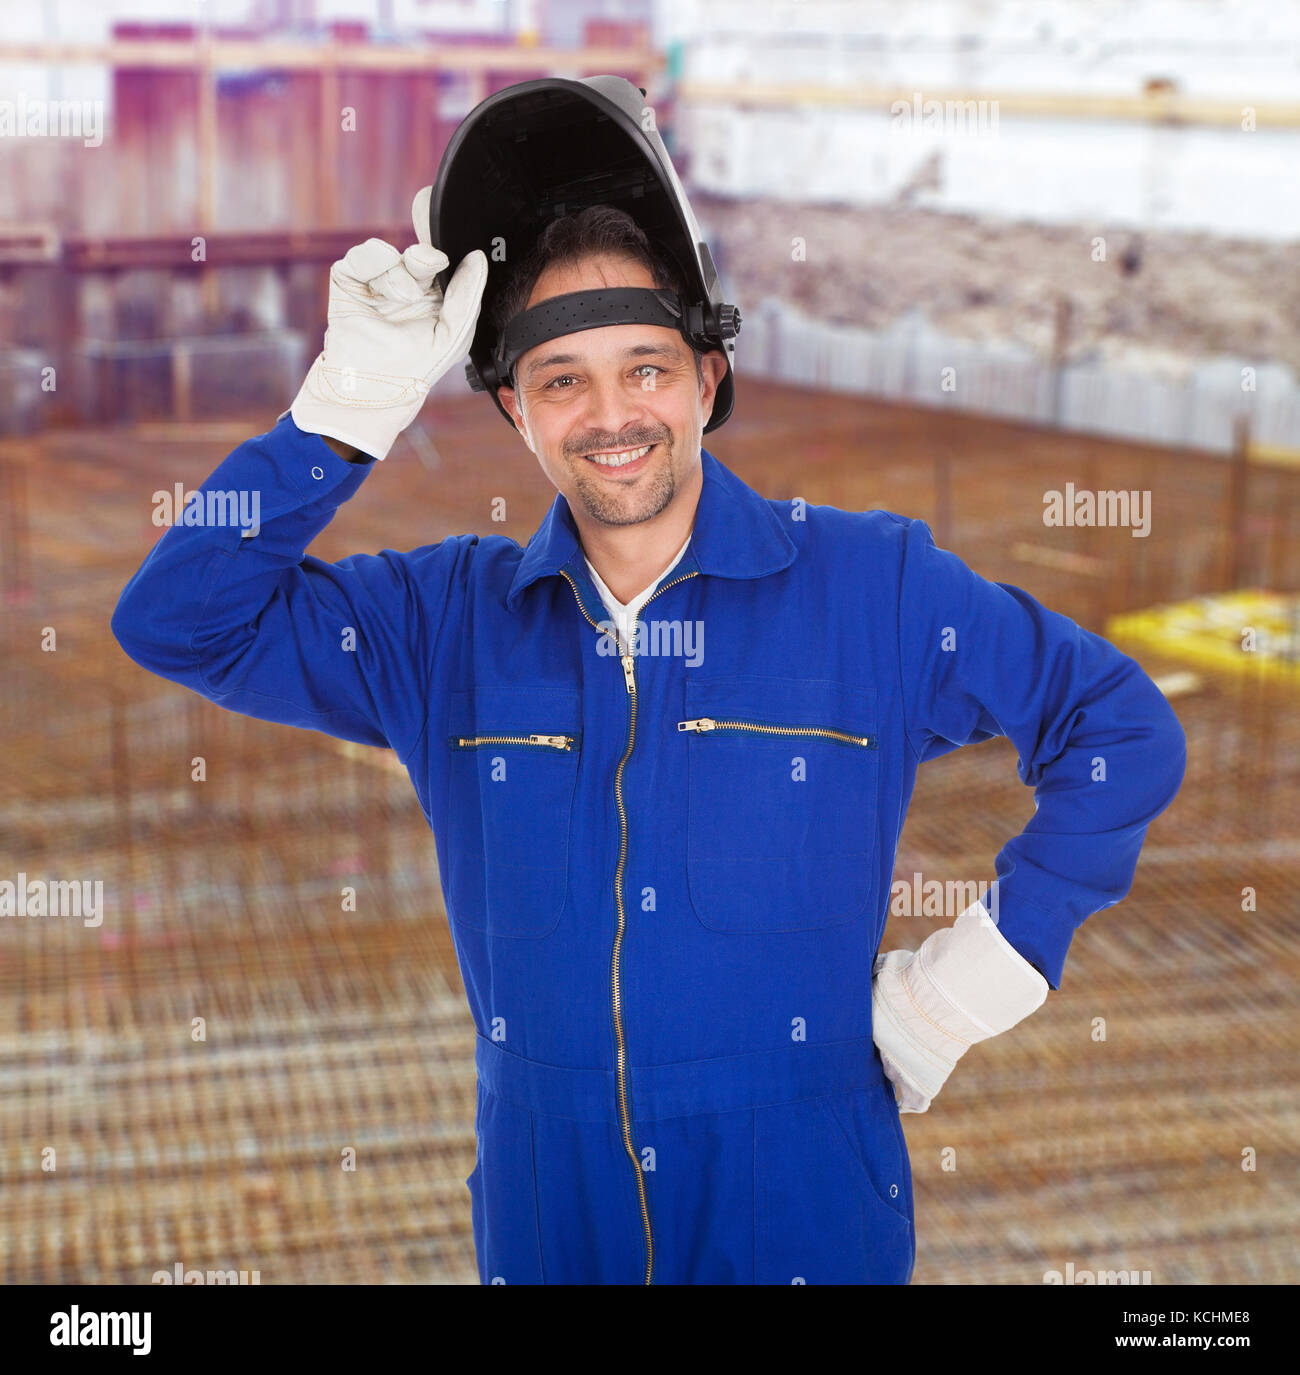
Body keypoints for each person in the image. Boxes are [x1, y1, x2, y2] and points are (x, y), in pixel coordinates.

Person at [112, 139, 1186, 1291]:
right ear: (516, 414)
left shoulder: (870, 588)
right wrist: (343, 409)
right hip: (546, 1210)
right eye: (561, 378)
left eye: (646, 367)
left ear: (707, 383)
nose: (610, 413)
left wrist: (973, 979)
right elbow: (178, 617)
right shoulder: (440, 624)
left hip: (802, 1204)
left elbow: (1118, 728)